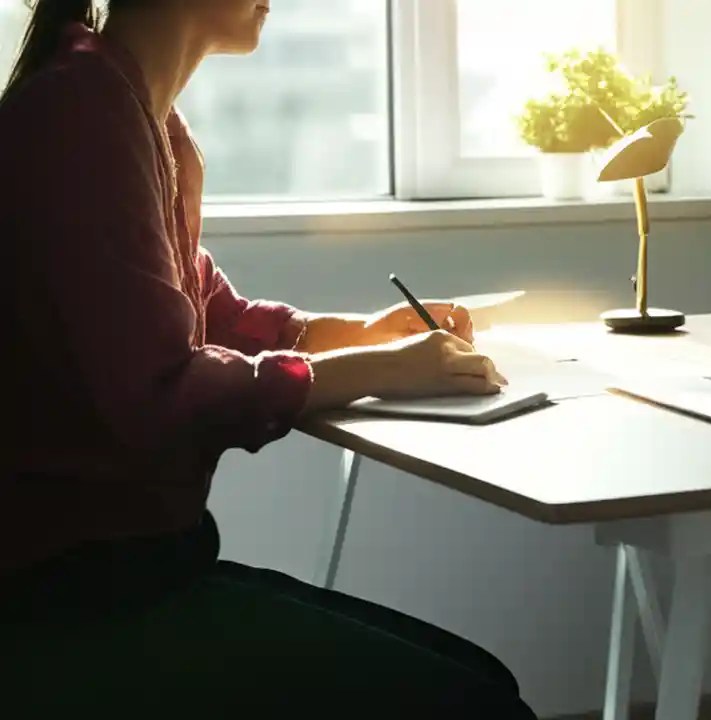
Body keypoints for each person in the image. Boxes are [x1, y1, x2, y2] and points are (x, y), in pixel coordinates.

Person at [0, 1, 535, 716]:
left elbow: (213, 317)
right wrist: (382, 369)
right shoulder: (82, 116)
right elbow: (158, 390)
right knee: (479, 702)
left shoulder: (138, 113)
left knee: (480, 680)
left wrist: (369, 334)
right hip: (74, 599)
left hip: (146, 569)